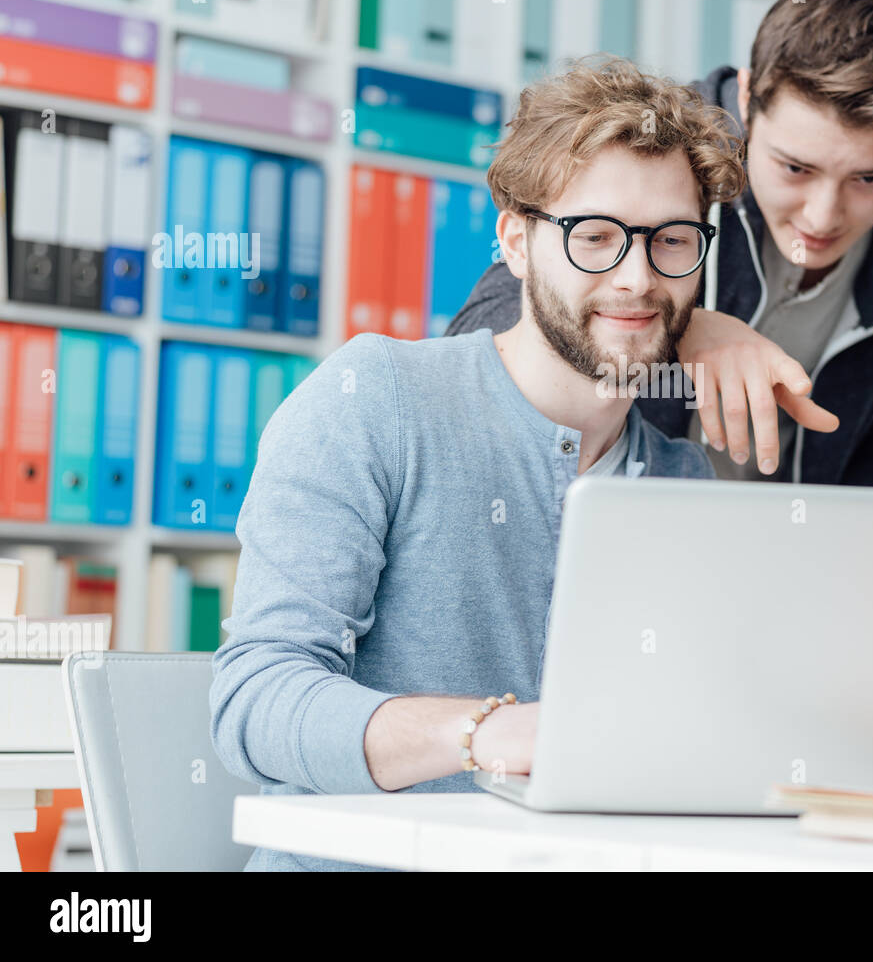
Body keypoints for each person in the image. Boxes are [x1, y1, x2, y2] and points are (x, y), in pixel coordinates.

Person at [209, 58, 745, 871]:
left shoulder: (682, 482)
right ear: (517, 242)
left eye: (672, 240)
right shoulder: (375, 397)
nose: (638, 277)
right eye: (596, 236)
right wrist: (482, 732)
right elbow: (256, 700)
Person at [446, 0, 873, 487]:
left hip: (779, 546)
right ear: (746, 98)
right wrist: (684, 325)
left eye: (870, 178)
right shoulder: (665, 157)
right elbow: (478, 341)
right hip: (618, 522)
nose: (822, 216)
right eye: (796, 169)